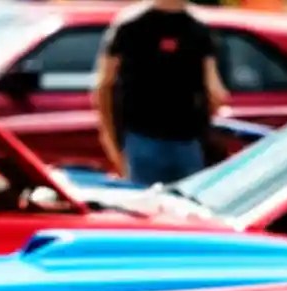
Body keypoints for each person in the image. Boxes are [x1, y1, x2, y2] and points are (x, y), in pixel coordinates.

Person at [93, 0, 229, 186]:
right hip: (185, 139)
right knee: (187, 210)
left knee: (147, 208)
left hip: (143, 137)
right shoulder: (198, 29)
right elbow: (216, 92)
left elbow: (104, 85)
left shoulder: (129, 25)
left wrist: (110, 141)